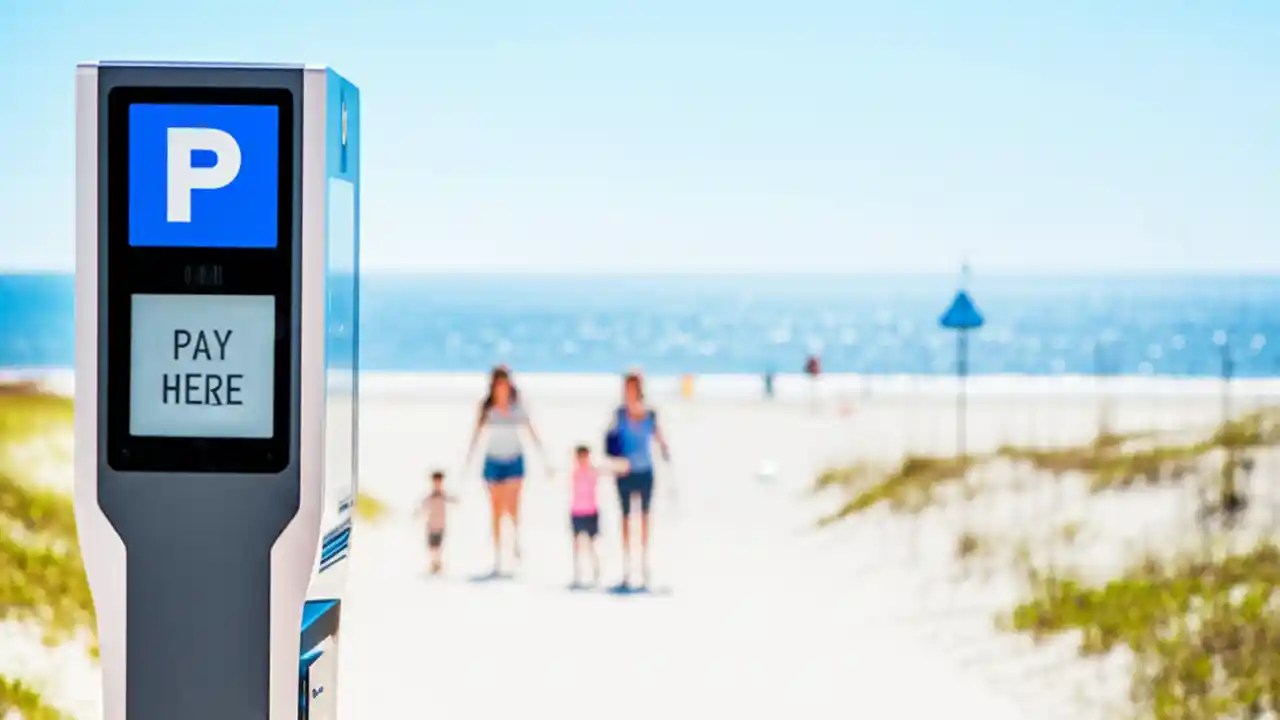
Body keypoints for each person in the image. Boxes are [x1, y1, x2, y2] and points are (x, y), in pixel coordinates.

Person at [466, 365, 546, 575]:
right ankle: (498, 554)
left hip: (514, 460)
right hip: (493, 461)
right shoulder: (487, 408)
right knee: (496, 510)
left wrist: (543, 456)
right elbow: (476, 434)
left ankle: (515, 545)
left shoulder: (517, 406)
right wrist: (468, 459)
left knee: (512, 507)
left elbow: (530, 430)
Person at [606, 371, 671, 589]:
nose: (629, 391)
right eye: (627, 387)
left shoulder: (650, 414)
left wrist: (665, 450)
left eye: (633, 387)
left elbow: (658, 436)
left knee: (643, 519)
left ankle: (643, 563)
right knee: (625, 519)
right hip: (624, 472)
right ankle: (627, 565)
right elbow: (610, 441)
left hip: (645, 471)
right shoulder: (619, 413)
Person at [569, 445, 603, 588]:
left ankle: (595, 571)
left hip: (591, 512)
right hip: (577, 512)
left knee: (592, 543)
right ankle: (578, 573)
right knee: (577, 544)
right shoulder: (574, 473)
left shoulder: (593, 472)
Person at [420, 470, 455, 575]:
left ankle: (437, 563)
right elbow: (423, 507)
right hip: (431, 526)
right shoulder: (429, 497)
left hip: (440, 525)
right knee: (431, 546)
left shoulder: (444, 496)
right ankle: (434, 563)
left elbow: (453, 501)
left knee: (438, 546)